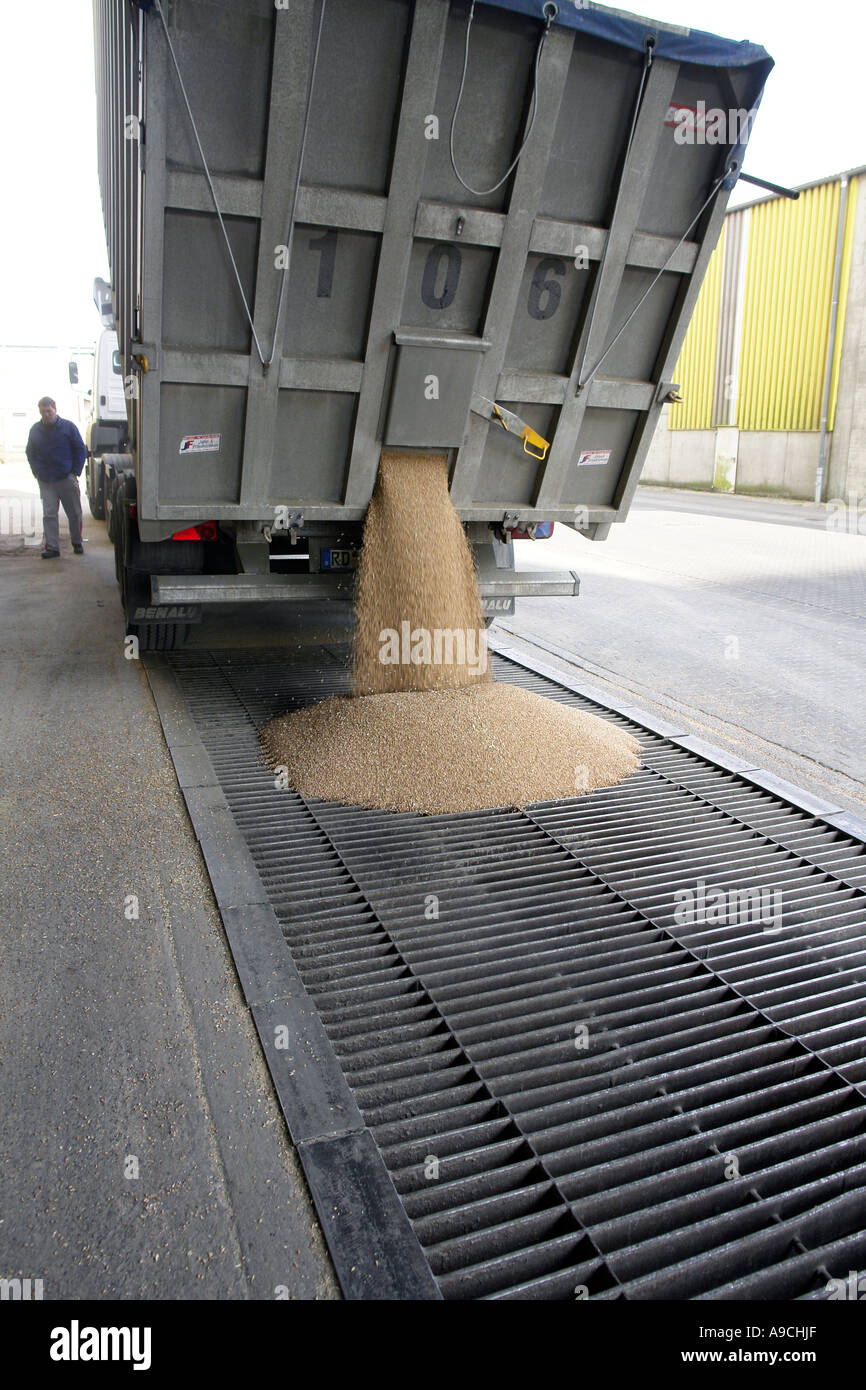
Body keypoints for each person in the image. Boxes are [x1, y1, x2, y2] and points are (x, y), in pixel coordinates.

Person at [25, 396, 87, 559]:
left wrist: (74, 472)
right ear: (40, 412)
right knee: (49, 514)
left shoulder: (68, 427)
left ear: (55, 409)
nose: (46, 414)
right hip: (46, 481)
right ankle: (52, 547)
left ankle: (77, 542)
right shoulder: (35, 430)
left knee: (74, 513)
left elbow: (80, 449)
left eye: (49, 411)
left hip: (67, 478)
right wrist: (37, 472)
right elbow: (30, 453)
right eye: (43, 411)